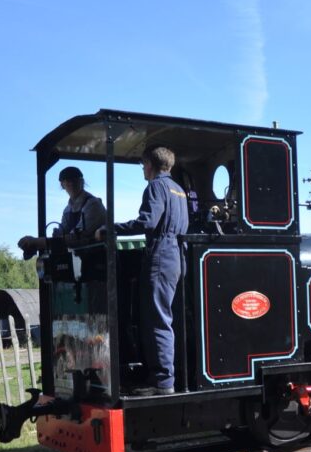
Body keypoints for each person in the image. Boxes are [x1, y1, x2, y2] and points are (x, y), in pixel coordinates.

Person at [96, 146, 189, 396]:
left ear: (149, 164)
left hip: (160, 254)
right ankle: (164, 375)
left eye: (143, 165)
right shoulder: (179, 190)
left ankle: (162, 381)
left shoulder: (156, 187)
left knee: (156, 321)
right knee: (165, 318)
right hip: (177, 256)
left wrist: (111, 229)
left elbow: (147, 221)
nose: (143, 171)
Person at [18, 166, 107, 253]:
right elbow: (64, 235)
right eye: (68, 180)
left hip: (100, 257)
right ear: (62, 184)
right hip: (80, 258)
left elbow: (76, 238)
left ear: (82, 182)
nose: (72, 183)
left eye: (75, 180)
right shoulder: (67, 210)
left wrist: (37, 242)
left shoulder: (93, 204)